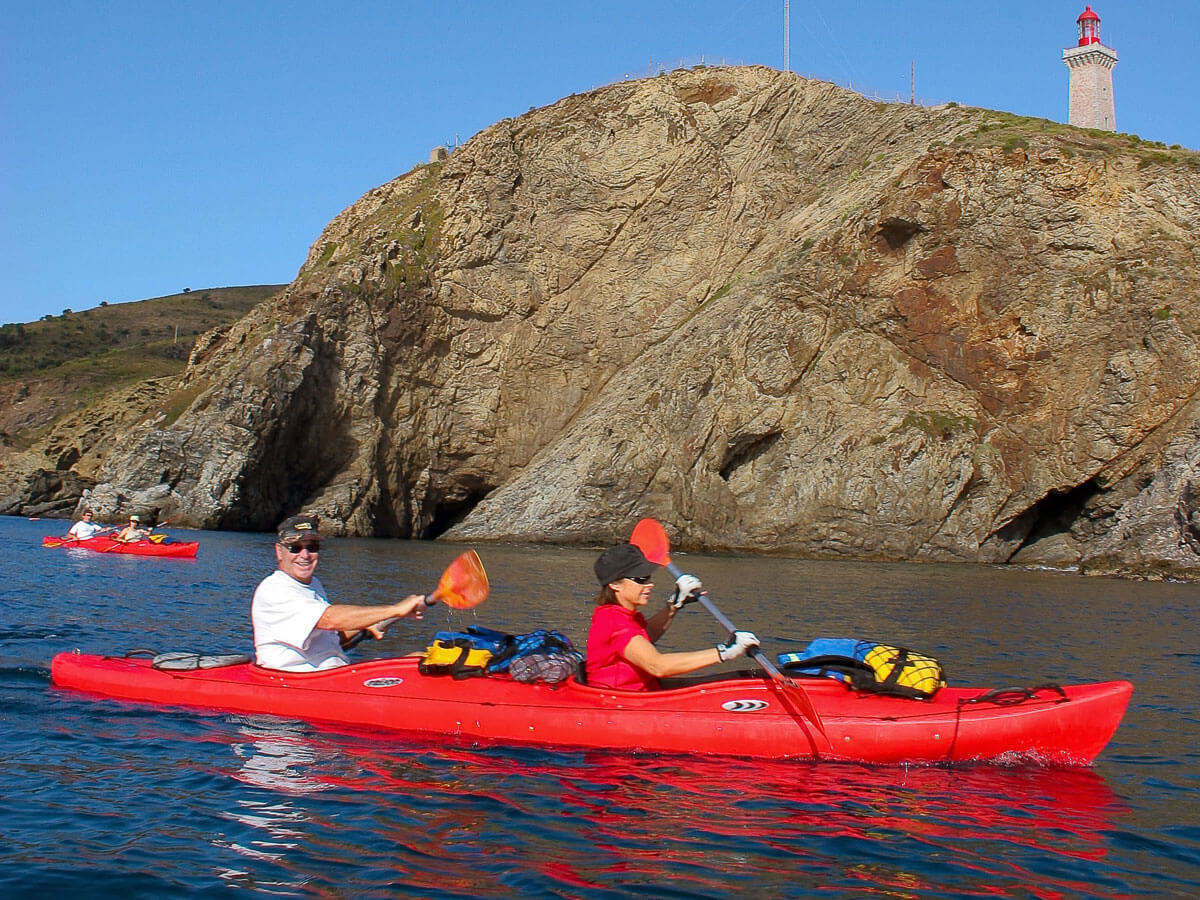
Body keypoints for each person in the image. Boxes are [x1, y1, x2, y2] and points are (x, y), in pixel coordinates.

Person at [251, 514, 430, 672]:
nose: (304, 555)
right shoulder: (275, 590)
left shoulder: (313, 584)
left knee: (416, 659)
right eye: (295, 548)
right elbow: (330, 620)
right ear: (279, 551)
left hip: (332, 673)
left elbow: (328, 637)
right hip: (299, 681)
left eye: (312, 547)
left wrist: (367, 624)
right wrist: (395, 610)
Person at [585, 542, 760, 691]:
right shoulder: (614, 621)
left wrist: (674, 604)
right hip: (616, 704)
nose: (650, 584)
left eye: (649, 577)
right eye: (641, 579)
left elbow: (647, 634)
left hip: (644, 693)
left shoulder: (623, 614)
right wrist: (724, 652)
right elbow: (657, 666)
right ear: (615, 584)